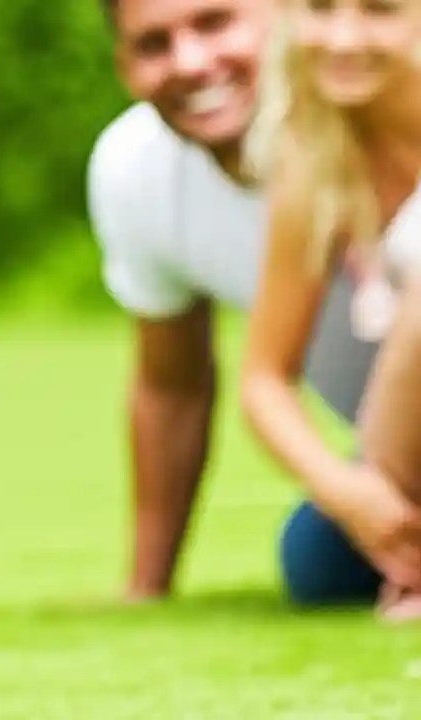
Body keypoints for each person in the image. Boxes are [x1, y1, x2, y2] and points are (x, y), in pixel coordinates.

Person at [87, 0, 390, 605]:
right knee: (318, 561)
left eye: (215, 24)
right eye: (154, 46)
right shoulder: (134, 172)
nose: (192, 63)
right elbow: (173, 385)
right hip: (397, 454)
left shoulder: (385, 120)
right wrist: (148, 587)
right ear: (123, 66)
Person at [241, 0, 421, 621]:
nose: (343, 39)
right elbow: (264, 378)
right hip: (407, 464)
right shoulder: (314, 166)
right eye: (321, 8)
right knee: (315, 556)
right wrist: (350, 493)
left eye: (378, 11)